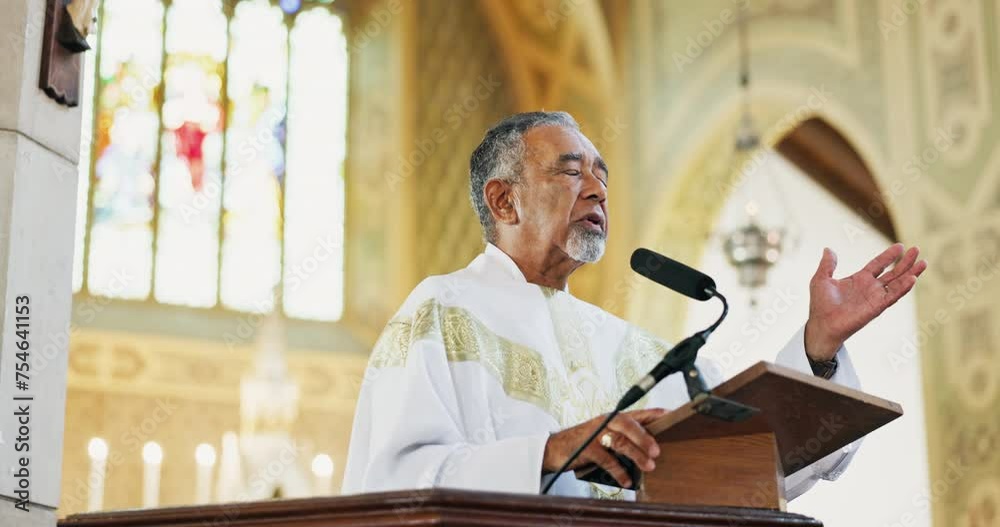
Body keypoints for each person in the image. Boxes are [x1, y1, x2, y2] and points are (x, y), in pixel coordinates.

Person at [341, 111, 926, 500]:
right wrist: (548, 453)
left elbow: (745, 460)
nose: (597, 190)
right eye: (571, 173)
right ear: (504, 199)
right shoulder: (442, 312)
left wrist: (817, 347)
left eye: (601, 176)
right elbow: (392, 486)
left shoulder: (639, 349)